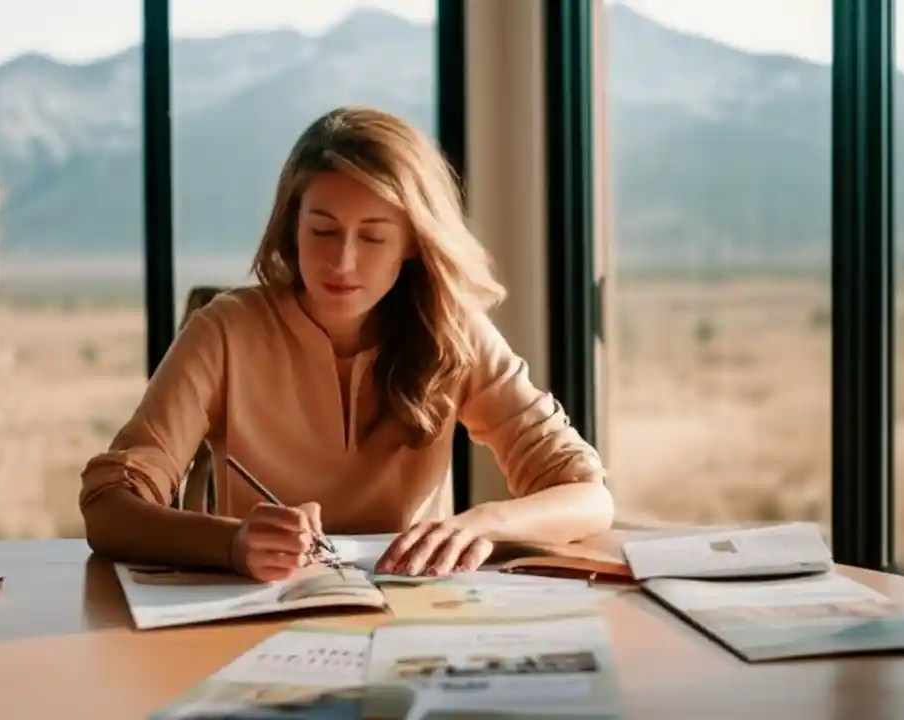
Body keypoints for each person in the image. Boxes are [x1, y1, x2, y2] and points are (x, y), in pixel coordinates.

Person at [80, 106, 612, 582]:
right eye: (323, 231)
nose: (342, 263)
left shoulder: (456, 333)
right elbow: (108, 507)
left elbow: (589, 497)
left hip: (414, 627)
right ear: (292, 228)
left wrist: (486, 522)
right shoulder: (224, 332)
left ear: (412, 243)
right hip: (258, 620)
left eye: (374, 236)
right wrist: (233, 543)